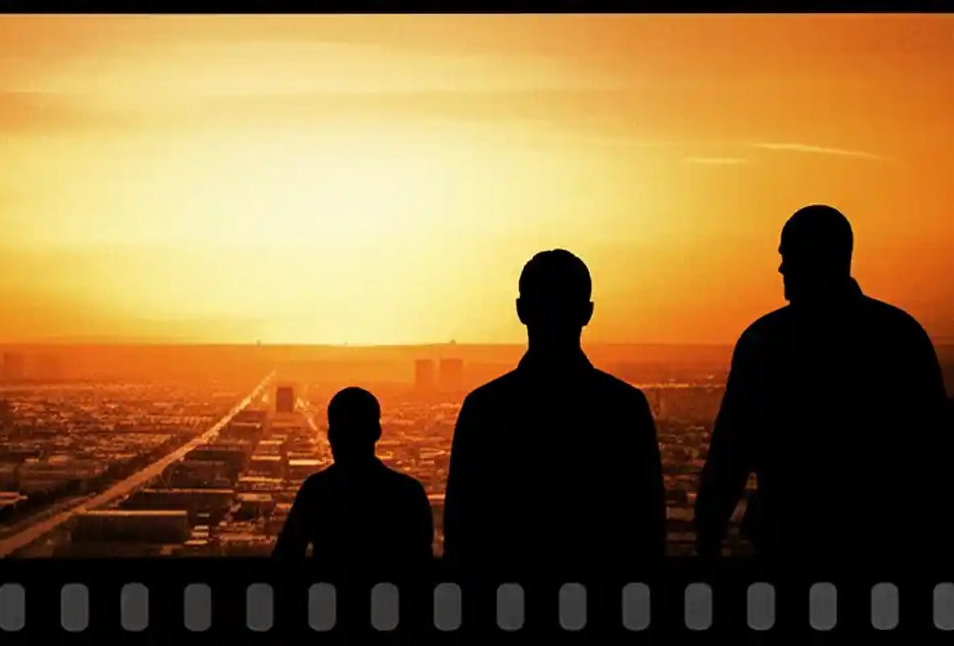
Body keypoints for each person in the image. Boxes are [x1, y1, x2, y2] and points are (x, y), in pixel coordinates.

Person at [695, 205, 949, 562]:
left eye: (787, 256)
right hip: (884, 545)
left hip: (793, 545)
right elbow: (934, 451)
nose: (781, 268)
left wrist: (708, 535)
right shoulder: (900, 336)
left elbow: (731, 451)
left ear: (811, 259)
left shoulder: (766, 341)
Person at [443, 250, 666, 567]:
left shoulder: (485, 408)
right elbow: (647, 526)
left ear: (521, 310)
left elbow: (461, 531)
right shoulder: (623, 407)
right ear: (587, 313)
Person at [273, 387, 434, 565]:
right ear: (377, 432)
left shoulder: (316, 491)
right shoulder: (408, 494)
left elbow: (285, 559)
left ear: (330, 435)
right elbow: (422, 566)